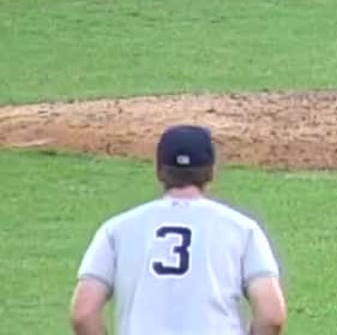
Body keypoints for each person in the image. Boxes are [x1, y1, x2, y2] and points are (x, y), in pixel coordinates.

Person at [70, 125, 288, 335]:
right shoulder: (242, 229)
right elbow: (271, 316)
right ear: (211, 171)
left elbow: (83, 314)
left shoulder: (116, 229)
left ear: (159, 171)